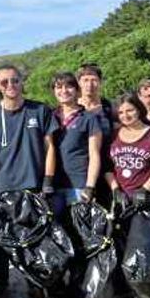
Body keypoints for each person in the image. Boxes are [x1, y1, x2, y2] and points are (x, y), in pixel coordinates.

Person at [0, 64, 58, 298]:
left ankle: (38, 286)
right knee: (0, 243)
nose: (11, 85)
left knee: (36, 241)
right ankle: (1, 289)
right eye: (5, 82)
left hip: (33, 186)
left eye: (15, 80)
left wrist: (48, 181)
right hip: (2, 187)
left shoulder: (40, 110)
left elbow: (50, 148)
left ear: (22, 81)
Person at [105, 93, 150, 212]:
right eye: (121, 112)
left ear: (139, 109)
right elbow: (107, 166)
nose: (125, 115)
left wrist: (144, 190)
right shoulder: (113, 135)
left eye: (130, 110)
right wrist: (115, 189)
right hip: (122, 196)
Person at [50, 72, 103, 216]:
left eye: (69, 87)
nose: (64, 91)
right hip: (53, 186)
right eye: (59, 87)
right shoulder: (50, 116)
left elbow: (94, 154)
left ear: (77, 90)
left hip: (79, 185)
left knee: (79, 226)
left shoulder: (89, 118)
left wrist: (90, 186)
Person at [75, 64, 115, 206]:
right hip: (80, 172)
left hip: (108, 171)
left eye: (94, 80)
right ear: (79, 82)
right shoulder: (72, 108)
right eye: (85, 80)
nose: (90, 85)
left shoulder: (109, 108)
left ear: (100, 82)